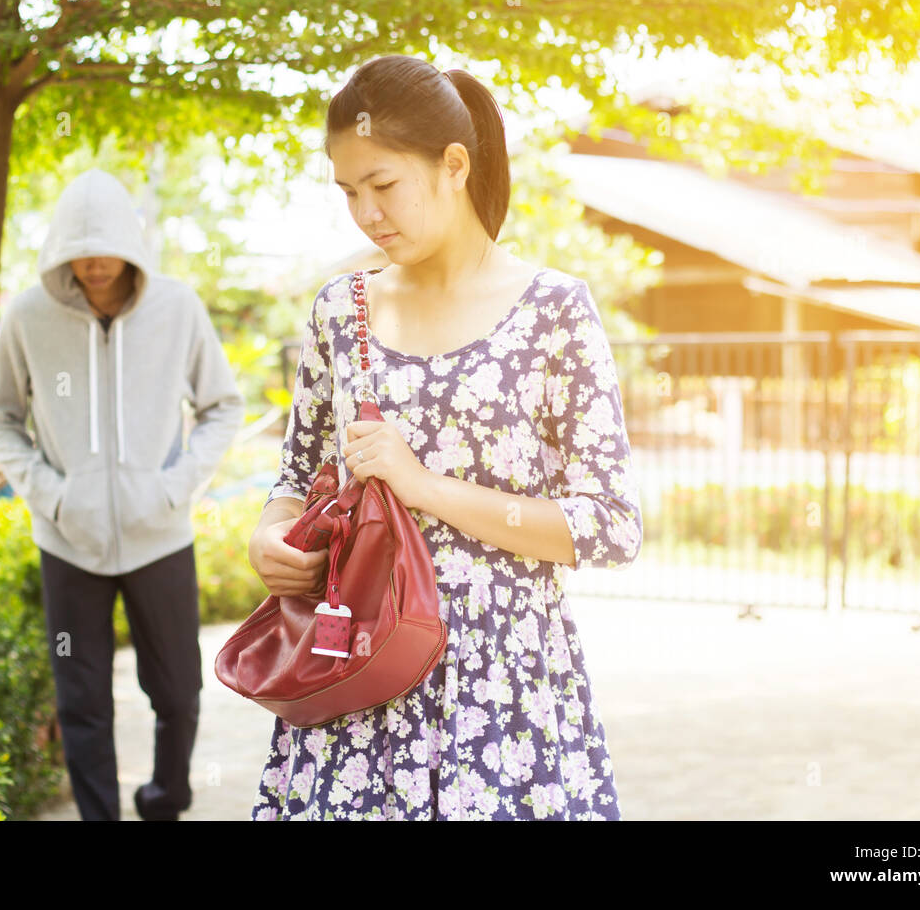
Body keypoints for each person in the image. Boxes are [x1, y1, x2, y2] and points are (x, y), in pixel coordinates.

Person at [246, 55, 643, 820]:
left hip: (504, 690)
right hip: (359, 680)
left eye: (384, 185)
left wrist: (425, 488)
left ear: (453, 165)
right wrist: (269, 537)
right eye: (349, 192)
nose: (366, 213)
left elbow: (609, 526)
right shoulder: (341, 310)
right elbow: (293, 478)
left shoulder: (554, 311)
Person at [0, 167, 245, 820]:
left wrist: (171, 489)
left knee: (178, 692)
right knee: (81, 702)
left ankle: (164, 798)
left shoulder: (177, 308)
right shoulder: (30, 316)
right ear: (58, 250)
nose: (94, 264)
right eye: (78, 252)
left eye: (106, 250)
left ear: (132, 246)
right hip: (69, 545)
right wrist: (53, 495)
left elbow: (222, 406)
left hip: (161, 538)